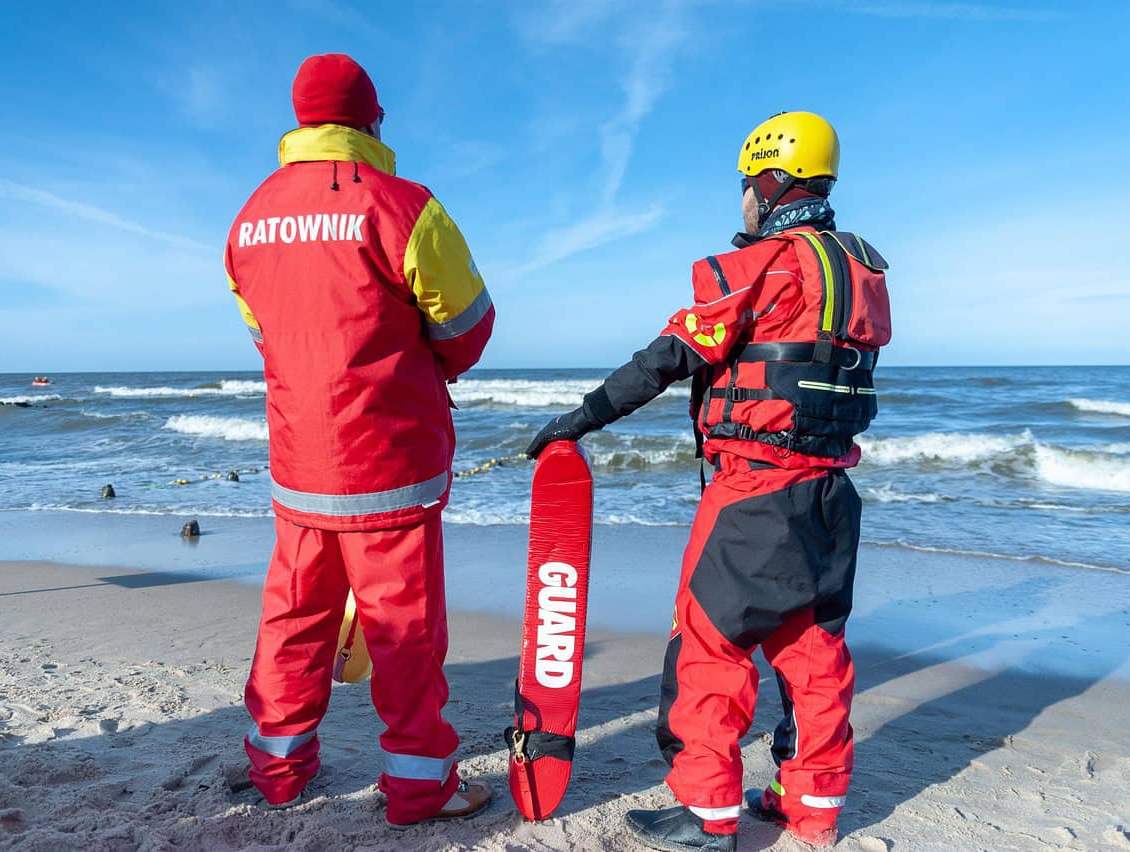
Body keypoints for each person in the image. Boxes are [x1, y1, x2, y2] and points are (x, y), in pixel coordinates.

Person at [527, 111, 891, 850]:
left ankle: (706, 813)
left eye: (747, 187)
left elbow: (670, 355)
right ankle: (811, 808)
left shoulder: (765, 265)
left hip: (755, 491)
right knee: (812, 648)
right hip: (830, 495)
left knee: (709, 645)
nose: (743, 203)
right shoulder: (862, 272)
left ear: (771, 180)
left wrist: (578, 419)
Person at [224, 53, 495, 825]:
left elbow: (266, 333)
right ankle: (419, 788)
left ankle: (276, 770)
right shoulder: (404, 205)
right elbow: (469, 328)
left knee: (293, 620)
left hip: (301, 463)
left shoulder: (250, 217)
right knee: (402, 632)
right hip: (389, 464)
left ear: (300, 120)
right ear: (372, 120)